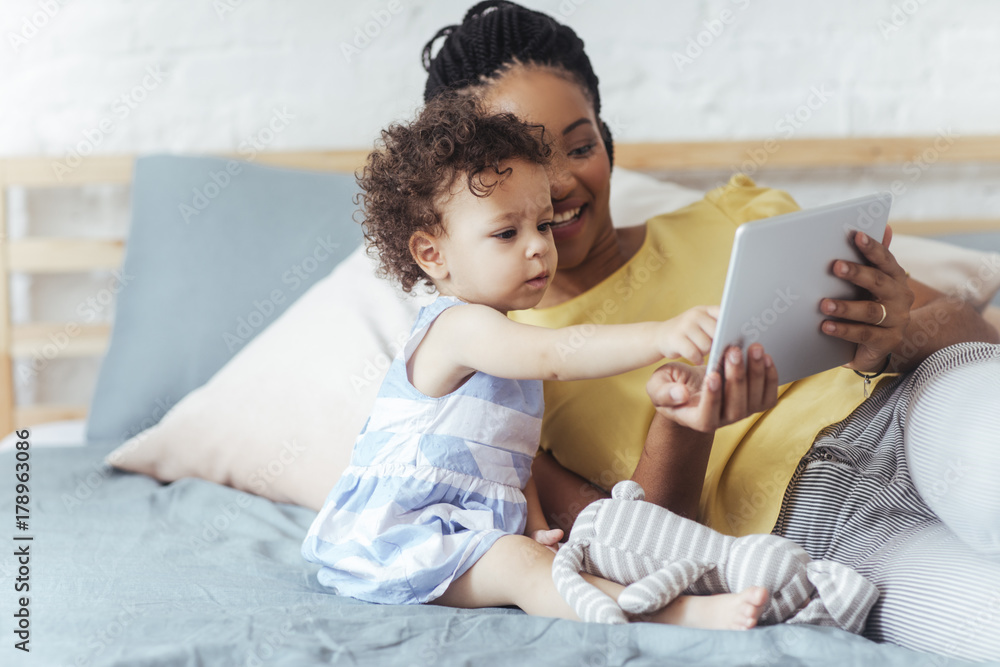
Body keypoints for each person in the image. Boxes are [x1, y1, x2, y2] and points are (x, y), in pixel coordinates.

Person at [420, 1, 1000, 660]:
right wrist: (688, 425)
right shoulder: (505, 368)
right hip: (822, 532)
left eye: (581, 146)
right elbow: (638, 553)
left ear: (605, 141)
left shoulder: (734, 215)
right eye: (526, 159)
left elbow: (970, 325)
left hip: (913, 408)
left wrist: (892, 334)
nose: (560, 182)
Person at [302, 94, 772, 629]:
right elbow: (556, 355)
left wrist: (537, 525)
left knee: (541, 555)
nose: (538, 248)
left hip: (464, 531)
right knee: (522, 567)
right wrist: (660, 334)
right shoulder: (460, 328)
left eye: (543, 225)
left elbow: (511, 459)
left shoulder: (500, 337)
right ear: (432, 254)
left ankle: (650, 587)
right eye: (507, 233)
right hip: (399, 539)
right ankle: (679, 615)